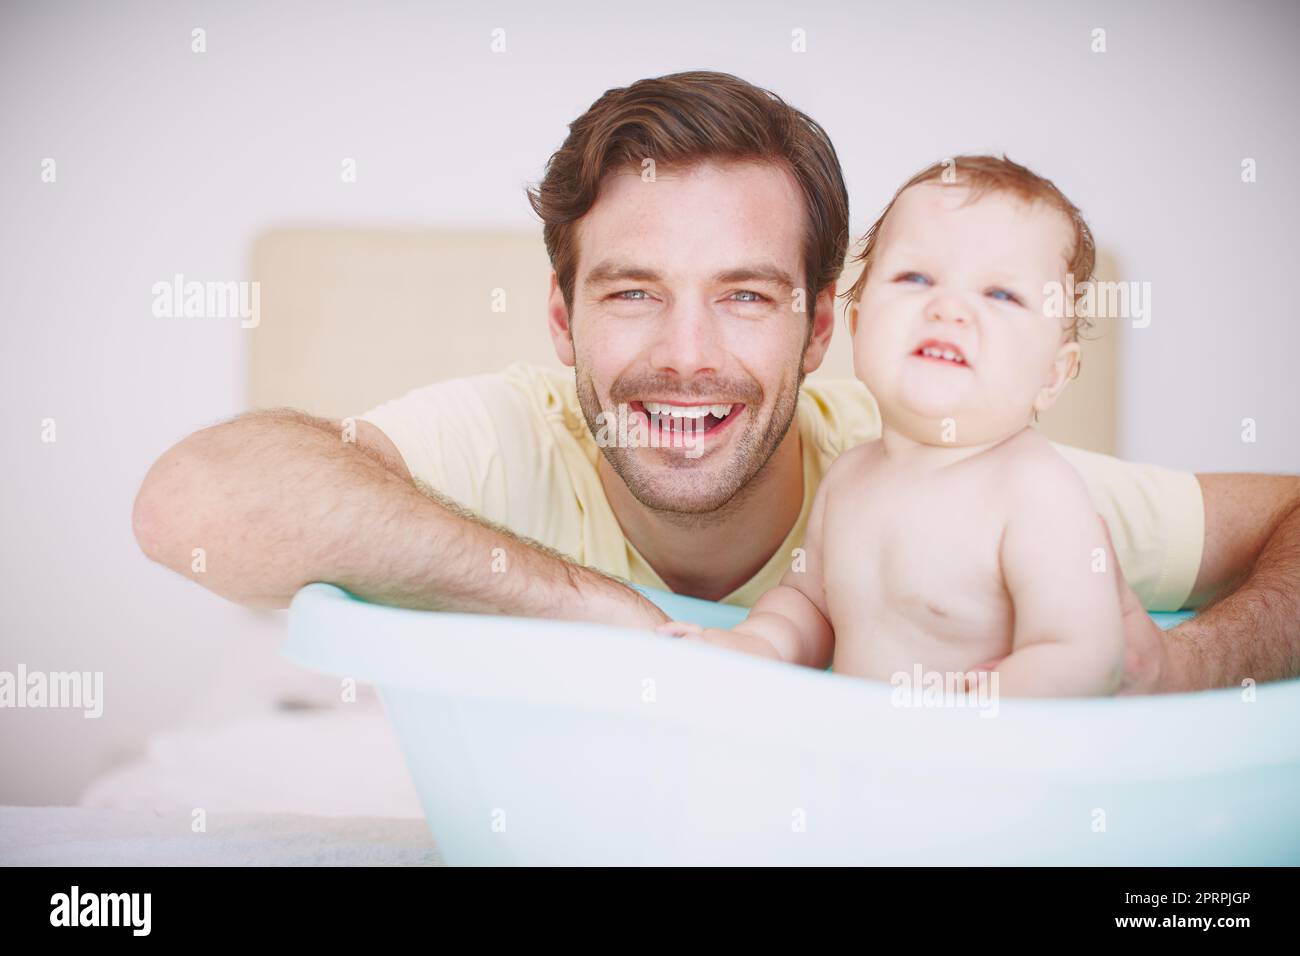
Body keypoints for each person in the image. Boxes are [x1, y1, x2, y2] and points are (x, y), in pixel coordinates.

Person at [131, 71, 1300, 694]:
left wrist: (1180, 665)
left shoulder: (969, 475)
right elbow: (192, 507)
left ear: (820, 330)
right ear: (561, 318)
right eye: (632, 290)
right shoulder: (507, 442)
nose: (685, 353)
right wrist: (605, 613)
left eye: (744, 293)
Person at [658, 155, 1128, 697]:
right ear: (857, 327)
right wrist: (759, 645)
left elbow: (1085, 655)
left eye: (1001, 294)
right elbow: (810, 606)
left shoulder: (1035, 491)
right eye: (915, 277)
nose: (948, 309)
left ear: (1054, 373)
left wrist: (979, 706)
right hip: (866, 756)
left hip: (978, 764)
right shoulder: (850, 476)